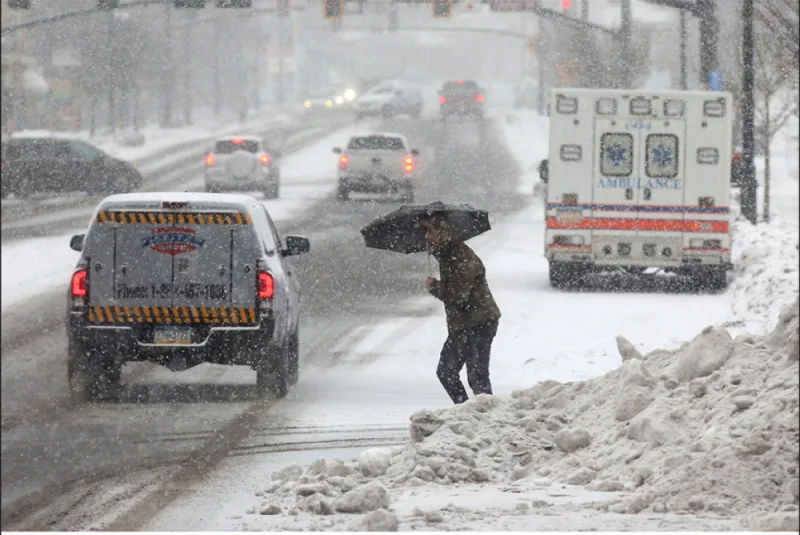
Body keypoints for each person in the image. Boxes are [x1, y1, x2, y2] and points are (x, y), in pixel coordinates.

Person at [419, 215, 501, 404]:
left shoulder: (460, 256)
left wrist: (434, 287)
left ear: (445, 232)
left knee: (468, 375)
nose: (428, 236)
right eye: (426, 232)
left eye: (432, 231)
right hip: (468, 322)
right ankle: (472, 416)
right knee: (464, 374)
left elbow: (458, 295)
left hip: (477, 322)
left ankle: (477, 417)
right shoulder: (448, 255)